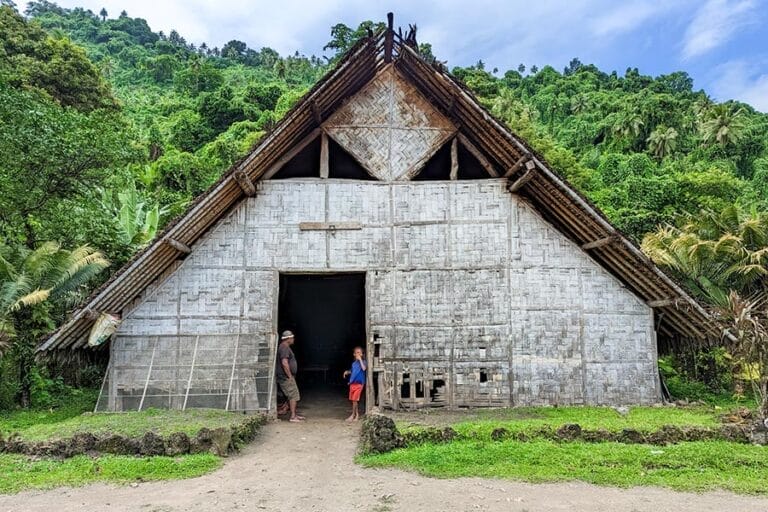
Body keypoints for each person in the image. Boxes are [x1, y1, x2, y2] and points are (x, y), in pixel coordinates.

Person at [276, 330, 304, 422]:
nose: (293, 339)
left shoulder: (285, 347)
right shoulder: (284, 348)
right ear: (288, 339)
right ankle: (293, 417)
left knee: (292, 395)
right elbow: (284, 363)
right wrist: (289, 376)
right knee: (293, 396)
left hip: (285, 376)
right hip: (285, 377)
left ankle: (294, 414)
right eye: (292, 338)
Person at [342, 346, 367, 422]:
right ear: (354, 354)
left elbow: (364, 368)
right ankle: (357, 415)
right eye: (356, 353)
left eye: (359, 352)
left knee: (355, 400)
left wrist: (360, 360)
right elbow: (353, 372)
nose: (358, 354)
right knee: (353, 400)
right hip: (353, 383)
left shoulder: (364, 362)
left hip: (359, 384)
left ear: (362, 354)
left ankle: (353, 415)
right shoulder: (354, 364)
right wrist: (347, 372)